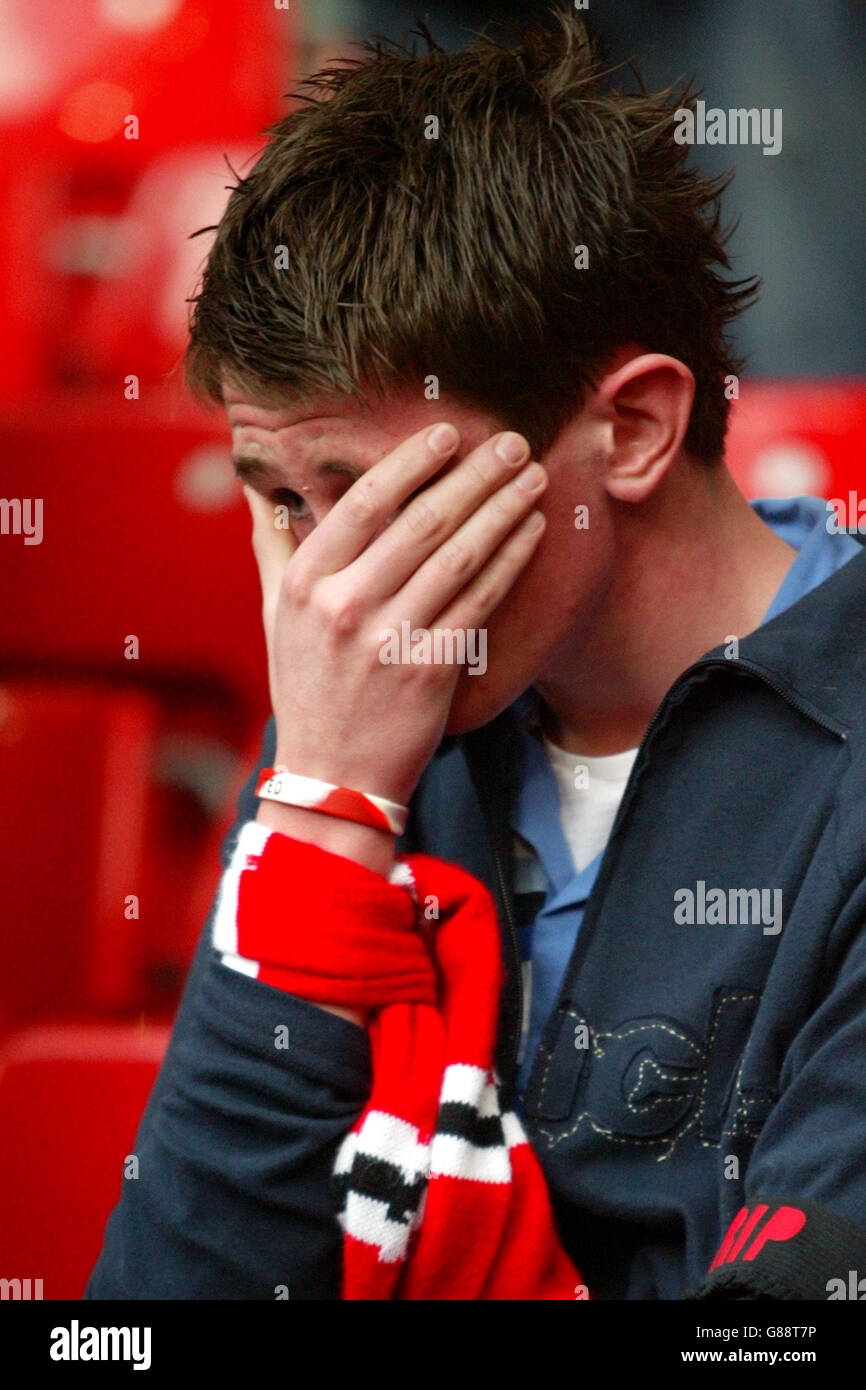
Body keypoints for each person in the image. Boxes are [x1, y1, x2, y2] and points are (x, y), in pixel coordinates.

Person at [86, 10, 866, 1299]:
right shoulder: (355, 718)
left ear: (630, 431)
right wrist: (325, 825)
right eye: (277, 500)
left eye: (369, 494)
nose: (324, 592)